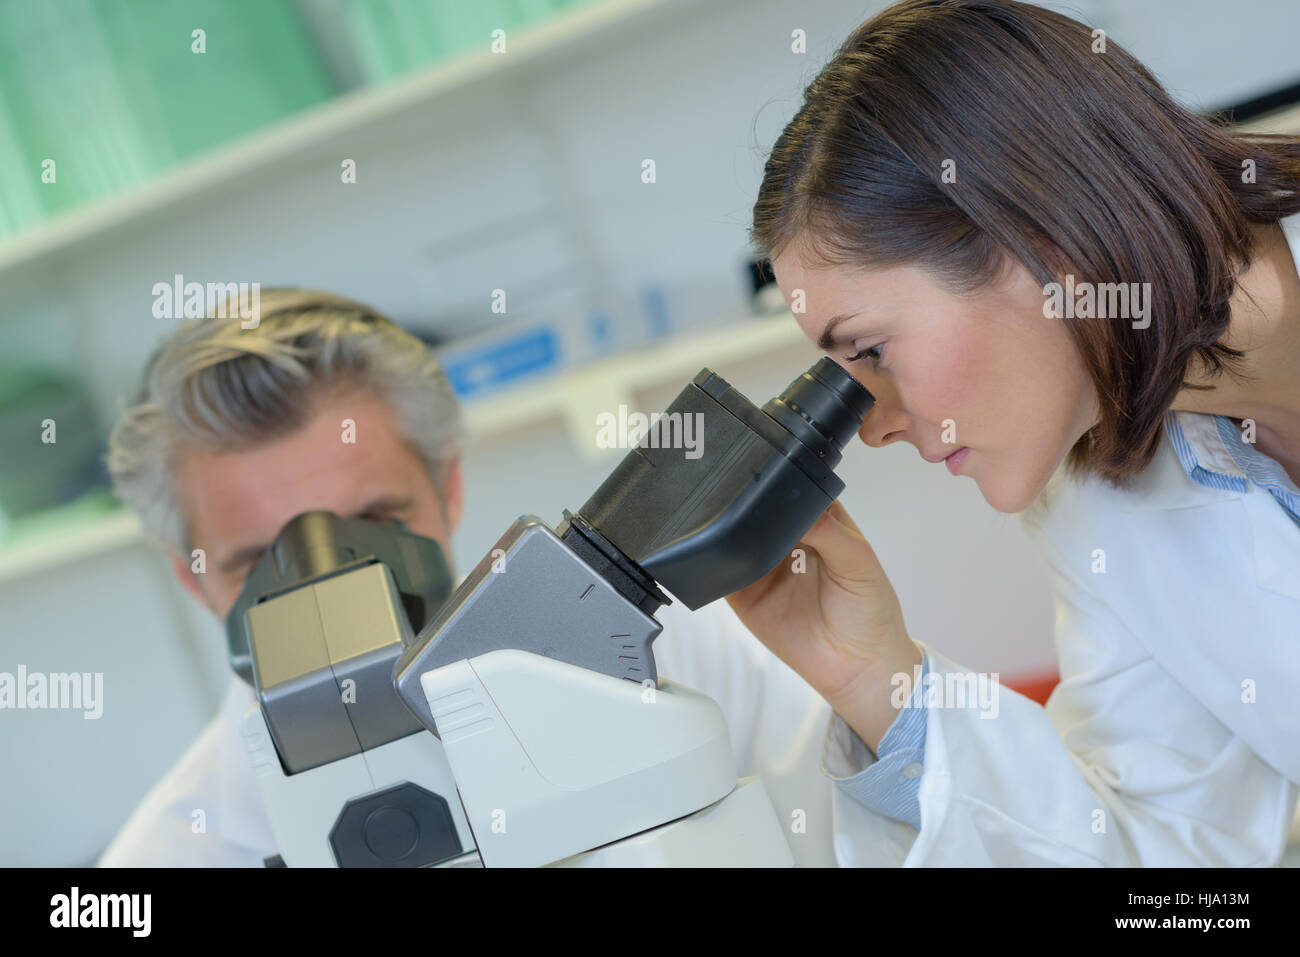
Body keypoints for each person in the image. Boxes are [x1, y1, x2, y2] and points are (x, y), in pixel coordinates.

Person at [727, 0, 1300, 866]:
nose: (871, 425)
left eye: (872, 349)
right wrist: (883, 684)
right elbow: (1168, 869)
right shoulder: (1101, 501)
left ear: (1041, 238)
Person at [97, 289, 840, 867]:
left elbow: (885, 831)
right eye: (259, 561)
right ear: (191, 578)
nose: (329, 592)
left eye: (374, 522)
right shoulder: (176, 853)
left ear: (447, 490)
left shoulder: (673, 658)